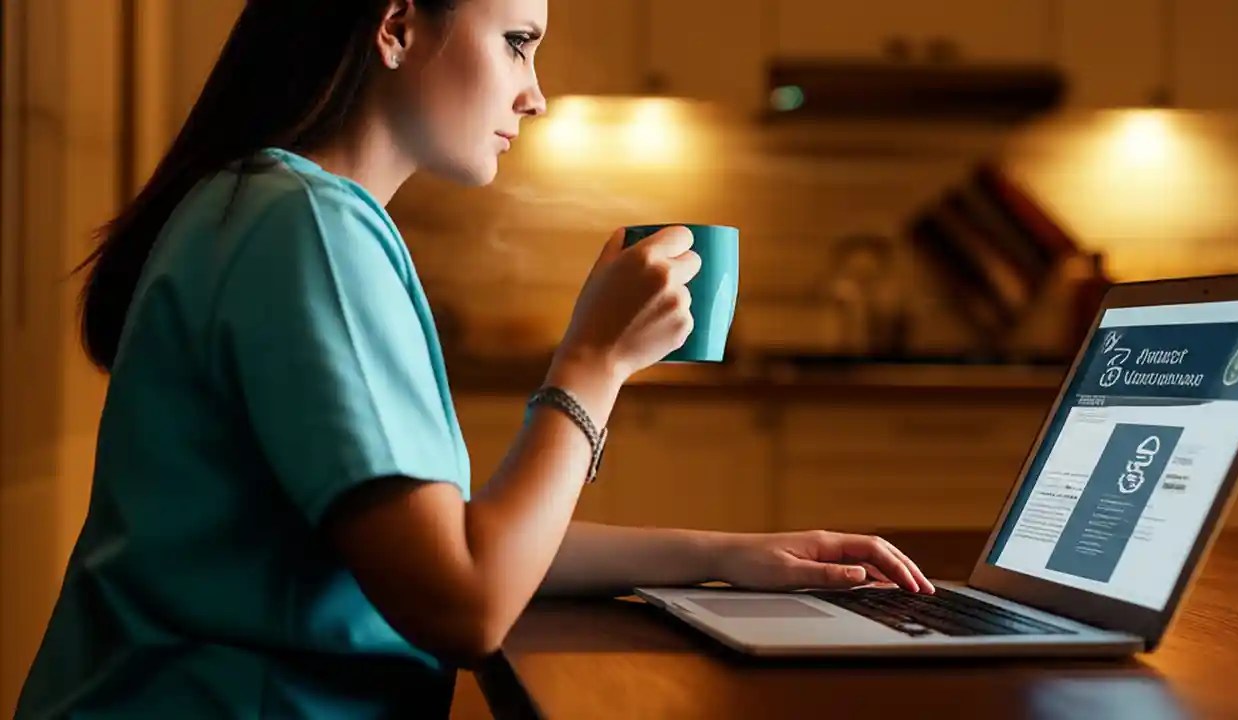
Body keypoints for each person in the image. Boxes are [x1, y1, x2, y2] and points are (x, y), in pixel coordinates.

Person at [16, 0, 934, 717]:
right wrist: (593, 364)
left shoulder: (272, 206)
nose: (535, 94)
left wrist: (728, 557)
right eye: (518, 43)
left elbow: (446, 544)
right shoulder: (307, 228)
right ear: (396, 26)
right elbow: (465, 605)